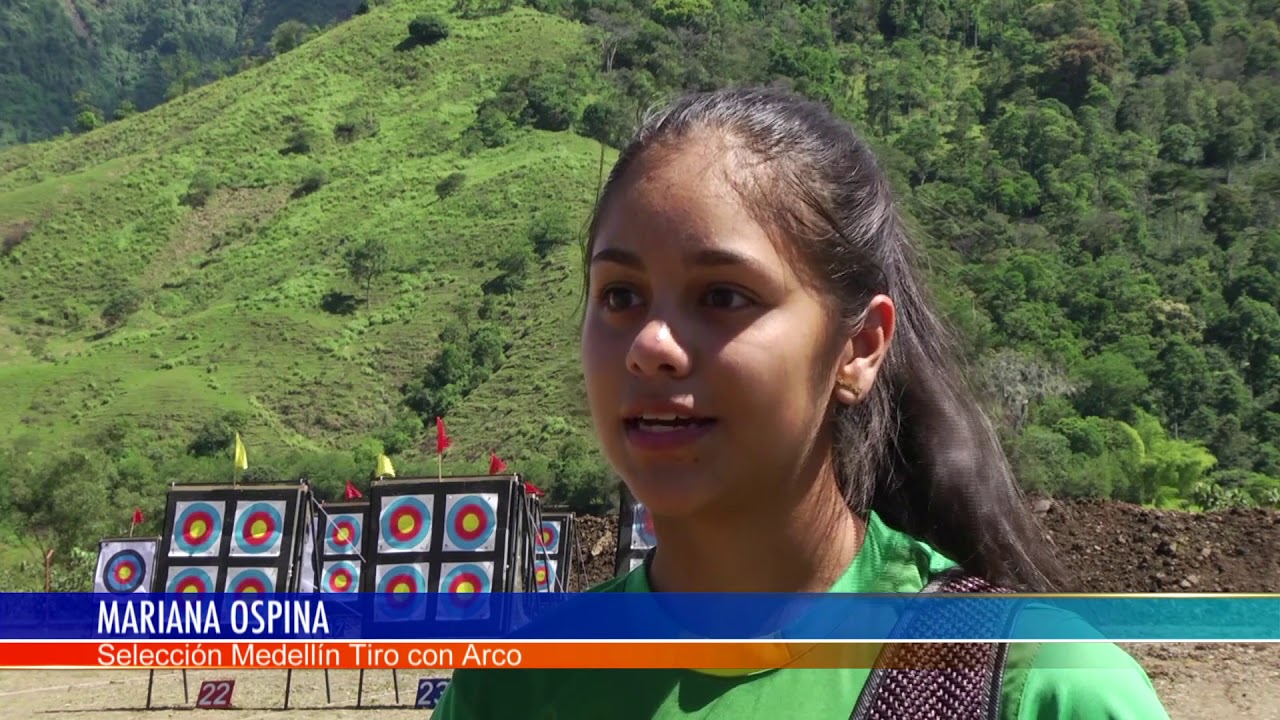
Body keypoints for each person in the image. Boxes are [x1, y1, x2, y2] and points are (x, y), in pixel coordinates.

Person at [433, 85, 1170, 719]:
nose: (649, 344)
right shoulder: (515, 689)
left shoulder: (1038, 686)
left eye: (723, 296)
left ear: (859, 349)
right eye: (619, 295)